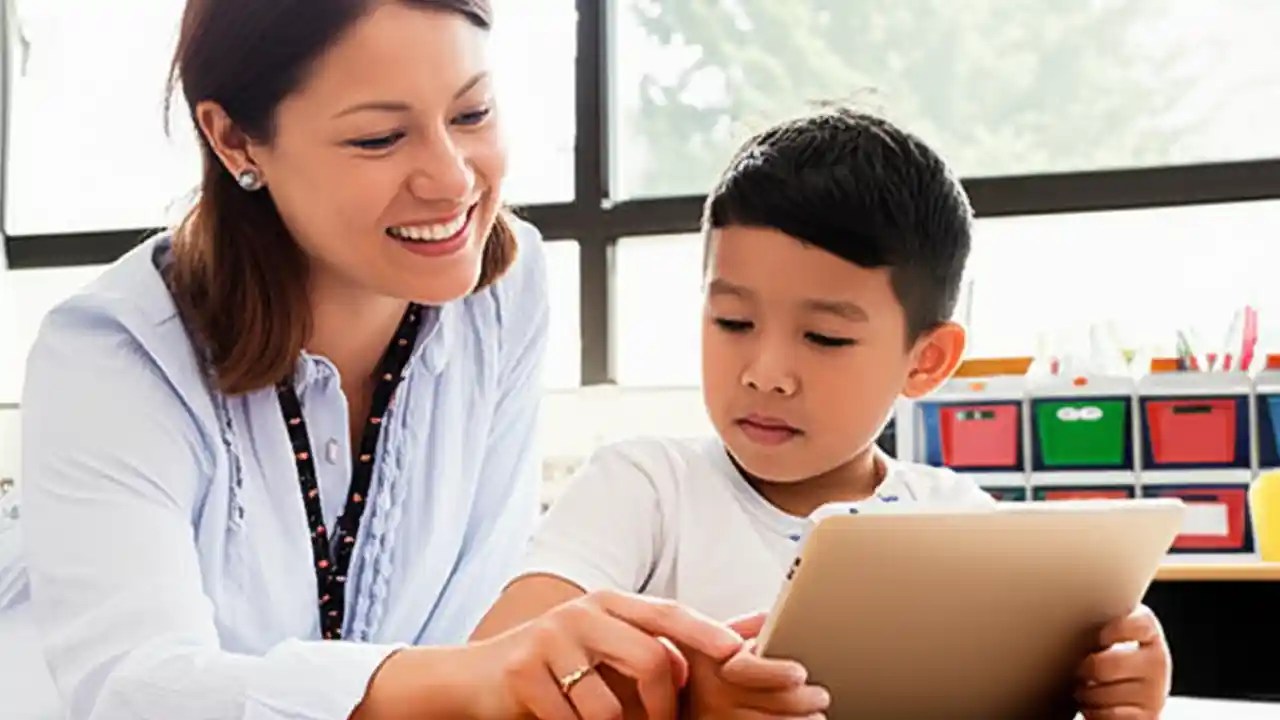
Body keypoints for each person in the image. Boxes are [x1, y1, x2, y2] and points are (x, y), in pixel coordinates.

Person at [16, 2, 808, 719]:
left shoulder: (506, 292)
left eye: (472, 113)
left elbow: (483, 630)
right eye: (379, 138)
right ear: (234, 139)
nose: (453, 179)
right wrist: (474, 679)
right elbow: (134, 688)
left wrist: (662, 690)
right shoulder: (115, 356)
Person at [474, 107, 1173, 719]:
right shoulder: (644, 486)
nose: (766, 373)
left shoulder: (958, 520)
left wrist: (1107, 686)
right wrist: (687, 703)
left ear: (924, 361)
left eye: (825, 338)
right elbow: (495, 668)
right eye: (732, 321)